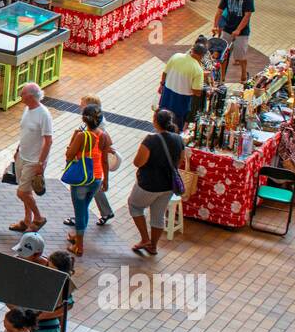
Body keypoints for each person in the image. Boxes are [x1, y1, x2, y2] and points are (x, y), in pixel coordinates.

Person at [128, 108, 186, 257]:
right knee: (158, 215)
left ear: (155, 122)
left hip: (149, 184)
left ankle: (145, 239)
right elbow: (181, 160)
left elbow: (138, 162)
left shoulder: (151, 140)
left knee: (134, 206)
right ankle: (153, 246)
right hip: (168, 186)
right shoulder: (178, 139)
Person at [12, 234, 73, 332]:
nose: (20, 257)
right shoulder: (16, 264)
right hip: (21, 325)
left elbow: (67, 305)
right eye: (20, 252)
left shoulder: (54, 273)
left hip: (46, 331)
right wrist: (22, 318)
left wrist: (38, 318)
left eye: (25, 254)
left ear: (38, 254)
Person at [11, 82, 53, 233]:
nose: (20, 96)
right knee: (26, 192)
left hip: (34, 160)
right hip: (23, 155)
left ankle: (38, 217)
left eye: (22, 93)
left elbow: (48, 141)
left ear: (30, 96)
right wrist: (17, 150)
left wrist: (40, 163)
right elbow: (25, 133)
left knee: (22, 192)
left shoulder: (44, 115)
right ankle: (27, 220)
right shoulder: (27, 109)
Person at [63, 104, 104, 256]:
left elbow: (69, 155)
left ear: (84, 119)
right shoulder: (103, 135)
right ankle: (78, 236)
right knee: (84, 207)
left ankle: (79, 246)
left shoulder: (82, 136)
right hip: (97, 177)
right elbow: (105, 156)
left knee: (79, 211)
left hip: (82, 178)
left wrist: (74, 137)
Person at [79, 95, 118, 227]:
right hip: (91, 163)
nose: (80, 106)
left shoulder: (97, 124)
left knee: (84, 189)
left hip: (90, 161)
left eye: (82, 104)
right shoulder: (97, 120)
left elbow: (103, 141)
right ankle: (105, 211)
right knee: (93, 186)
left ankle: (79, 217)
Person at [213, 0, 255, 82]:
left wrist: (238, 29)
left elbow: (247, 16)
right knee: (223, 54)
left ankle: (244, 72)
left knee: (240, 56)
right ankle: (222, 77)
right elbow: (219, 11)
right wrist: (215, 25)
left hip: (242, 32)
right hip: (227, 29)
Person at [159, 38, 207, 124]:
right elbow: (197, 91)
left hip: (167, 93)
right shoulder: (198, 70)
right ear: (201, 56)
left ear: (192, 50)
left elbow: (165, 73)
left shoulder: (176, 56)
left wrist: (162, 85)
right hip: (182, 99)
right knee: (176, 123)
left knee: (162, 119)